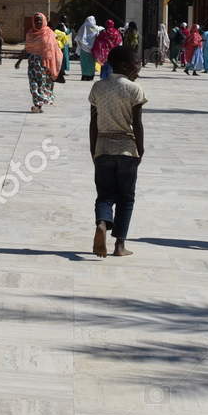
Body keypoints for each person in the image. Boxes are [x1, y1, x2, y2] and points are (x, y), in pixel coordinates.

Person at [88, 44, 146, 259]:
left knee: (104, 195)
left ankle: (102, 223)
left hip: (102, 148)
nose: (139, 68)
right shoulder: (134, 89)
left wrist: (93, 149)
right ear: (124, 65)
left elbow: (93, 123)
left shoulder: (98, 87)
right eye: (137, 64)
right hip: (127, 150)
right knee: (126, 198)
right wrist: (140, 149)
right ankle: (119, 245)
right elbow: (137, 124)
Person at [25, 12, 60, 112]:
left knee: (42, 85)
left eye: (40, 20)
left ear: (44, 21)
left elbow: (55, 49)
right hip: (32, 63)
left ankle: (38, 105)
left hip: (45, 64)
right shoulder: (30, 34)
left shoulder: (50, 33)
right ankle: (37, 104)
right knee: (33, 85)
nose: (38, 22)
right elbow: (27, 49)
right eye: (36, 20)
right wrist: (18, 61)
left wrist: (56, 64)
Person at [75, 16, 101, 80]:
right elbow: (97, 34)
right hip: (92, 48)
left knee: (84, 62)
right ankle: (90, 76)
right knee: (91, 62)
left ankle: (84, 75)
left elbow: (78, 37)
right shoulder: (93, 27)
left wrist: (81, 44)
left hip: (83, 48)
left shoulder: (83, 26)